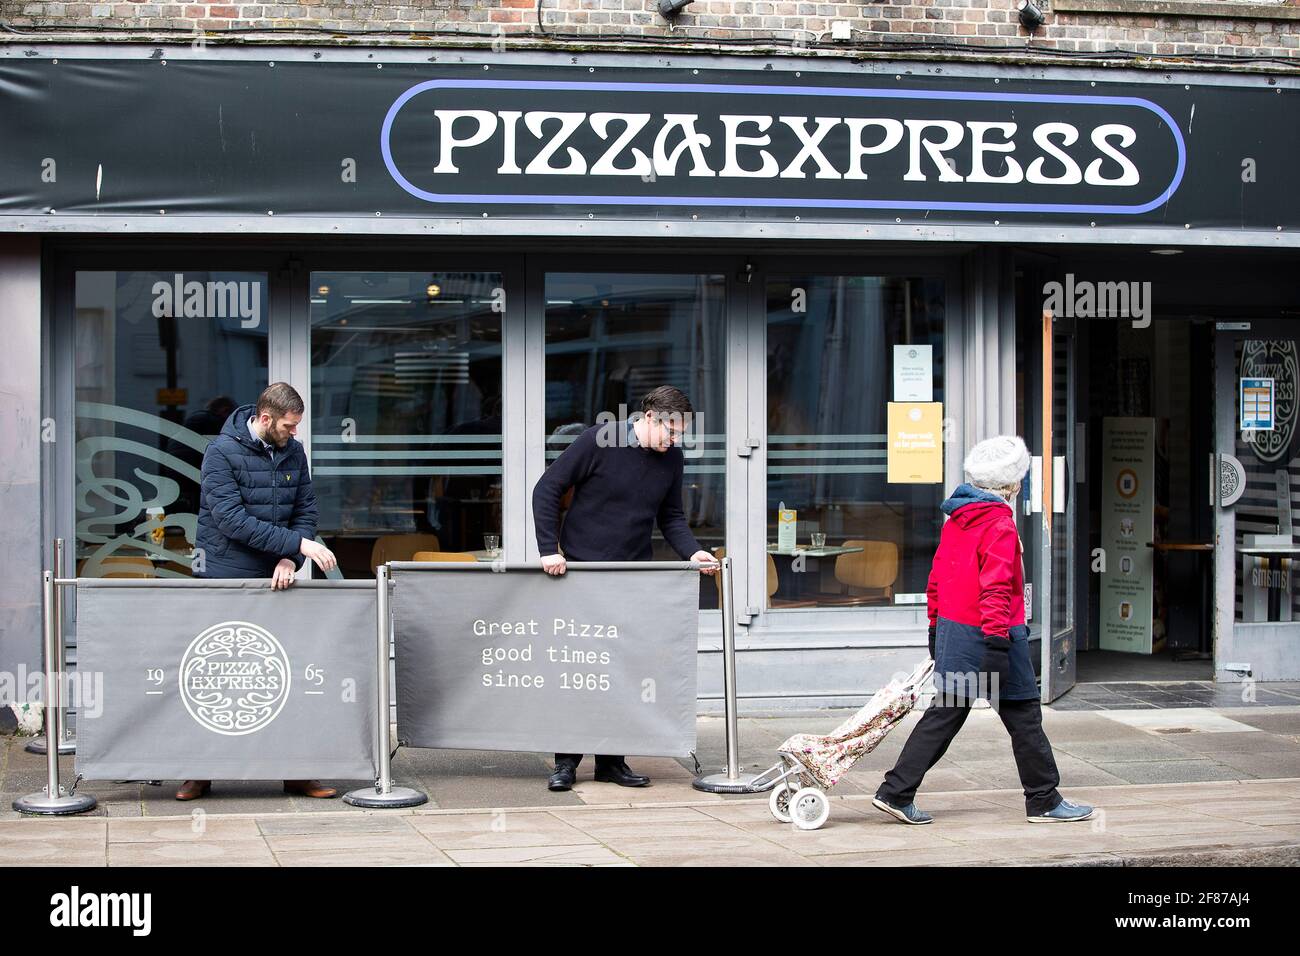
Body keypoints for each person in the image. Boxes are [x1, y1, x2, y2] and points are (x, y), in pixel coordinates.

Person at [872, 435, 1094, 825]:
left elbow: (937, 577)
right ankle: (1043, 801)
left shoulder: (958, 518)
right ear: (1009, 485)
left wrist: (935, 626)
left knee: (947, 712)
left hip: (955, 632)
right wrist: (996, 643)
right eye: (1019, 479)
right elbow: (995, 589)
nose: (1020, 485)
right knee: (1024, 714)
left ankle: (896, 791)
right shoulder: (1000, 525)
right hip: (995, 636)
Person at [532, 386, 719, 792]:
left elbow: (670, 517)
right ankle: (566, 762)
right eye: (670, 432)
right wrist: (549, 550)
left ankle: (611, 762)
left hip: (633, 578)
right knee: (581, 671)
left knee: (623, 671)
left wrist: (693, 553)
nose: (675, 441)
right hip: (579, 575)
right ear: (648, 418)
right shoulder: (599, 440)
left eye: (680, 434)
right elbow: (545, 490)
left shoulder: (672, 458)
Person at [177, 382, 340, 802]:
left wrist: (291, 559)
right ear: (265, 419)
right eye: (289, 426)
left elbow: (306, 510)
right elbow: (230, 520)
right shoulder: (220, 452)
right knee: (216, 674)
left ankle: (296, 772)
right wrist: (297, 545)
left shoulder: (294, 452)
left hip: (278, 576)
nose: (294, 433)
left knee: (285, 674)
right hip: (224, 576)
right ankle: (200, 772)